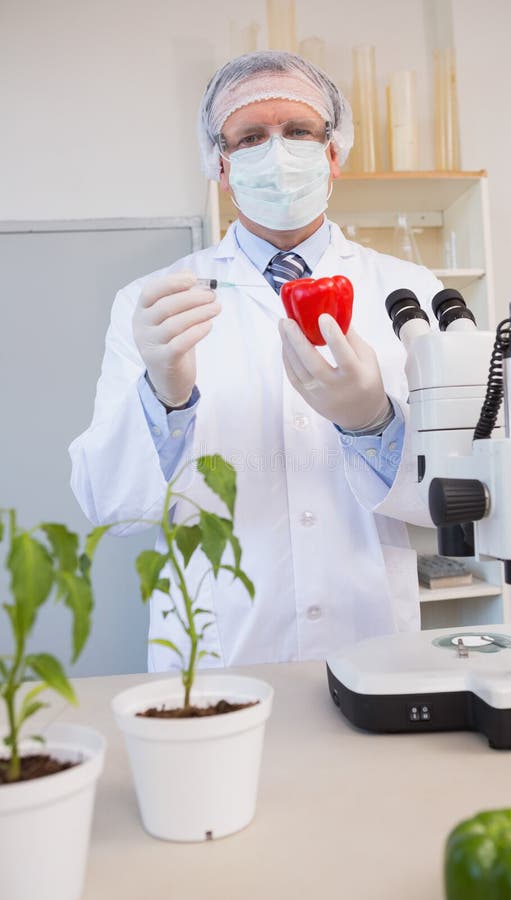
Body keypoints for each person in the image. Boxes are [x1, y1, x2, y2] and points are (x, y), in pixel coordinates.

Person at [69, 50, 443, 672]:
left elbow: (456, 495)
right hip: (218, 655)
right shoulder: (153, 304)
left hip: (368, 641)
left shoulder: (412, 292)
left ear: (333, 153)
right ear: (220, 164)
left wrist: (374, 424)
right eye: (250, 137)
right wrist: (163, 400)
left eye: (298, 131)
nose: (277, 152)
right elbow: (112, 503)